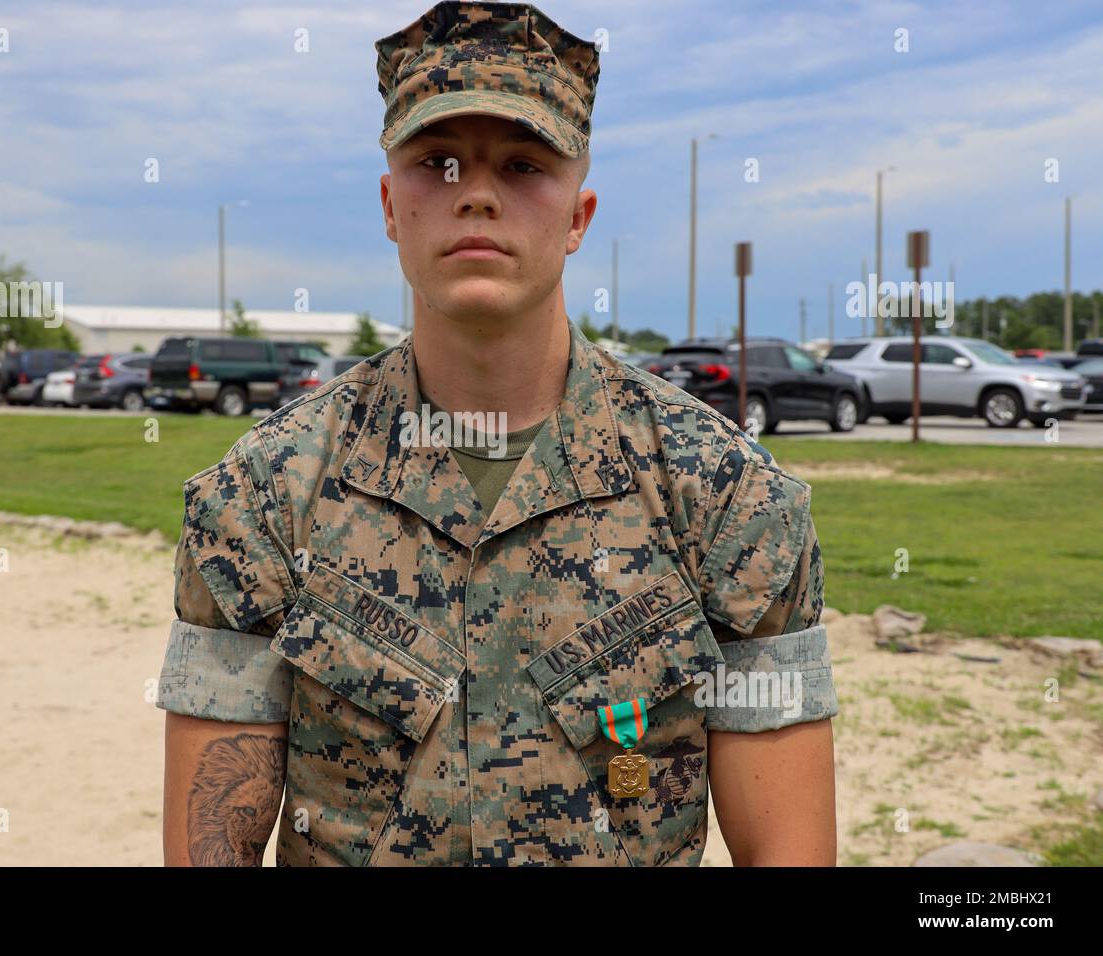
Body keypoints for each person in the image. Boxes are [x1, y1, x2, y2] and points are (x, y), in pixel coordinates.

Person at [158, 0, 838, 867]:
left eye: (523, 164)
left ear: (579, 217)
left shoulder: (725, 497)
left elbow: (788, 855)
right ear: (391, 207)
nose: (475, 193)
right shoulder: (260, 497)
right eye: (436, 162)